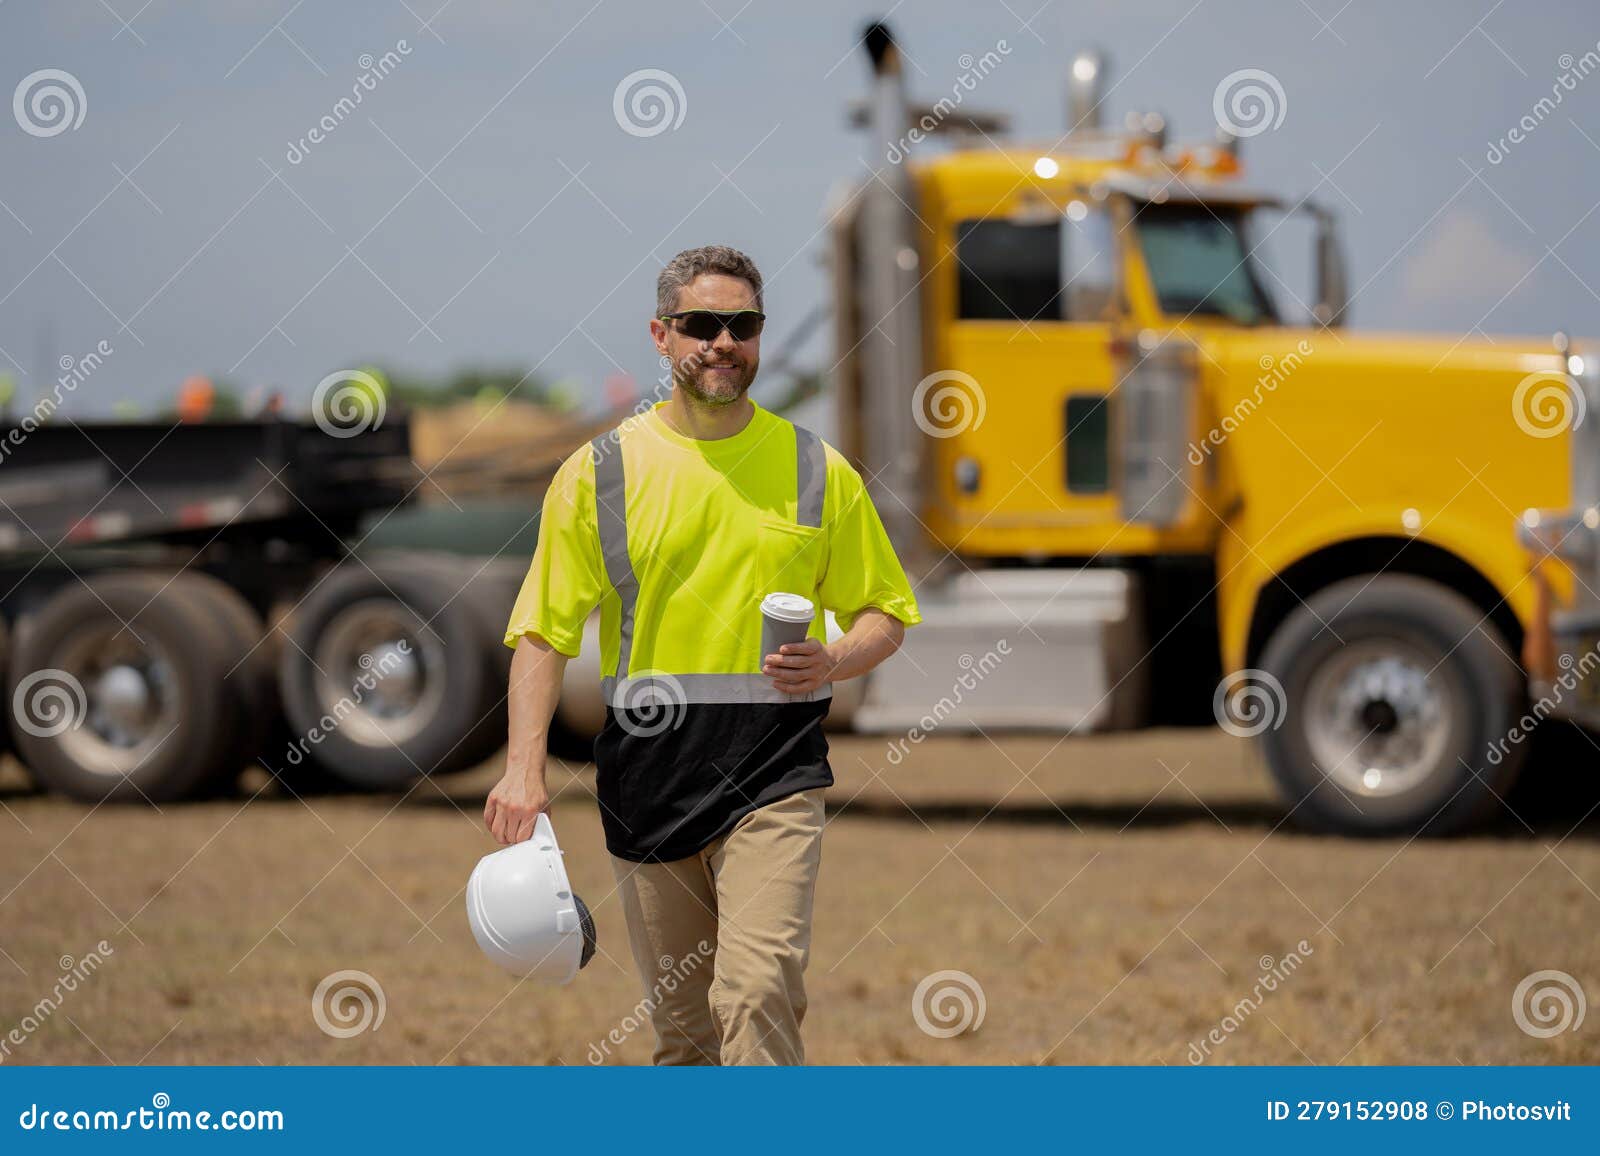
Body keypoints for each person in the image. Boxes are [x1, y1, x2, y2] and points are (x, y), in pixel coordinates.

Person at [487, 244, 921, 1065]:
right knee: (685, 1037)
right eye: (701, 324)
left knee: (756, 991)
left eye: (743, 325)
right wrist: (522, 770)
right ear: (661, 334)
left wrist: (834, 658)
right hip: (648, 777)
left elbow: (885, 615)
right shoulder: (599, 474)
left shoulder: (815, 468)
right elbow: (544, 633)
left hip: (774, 773)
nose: (723, 342)